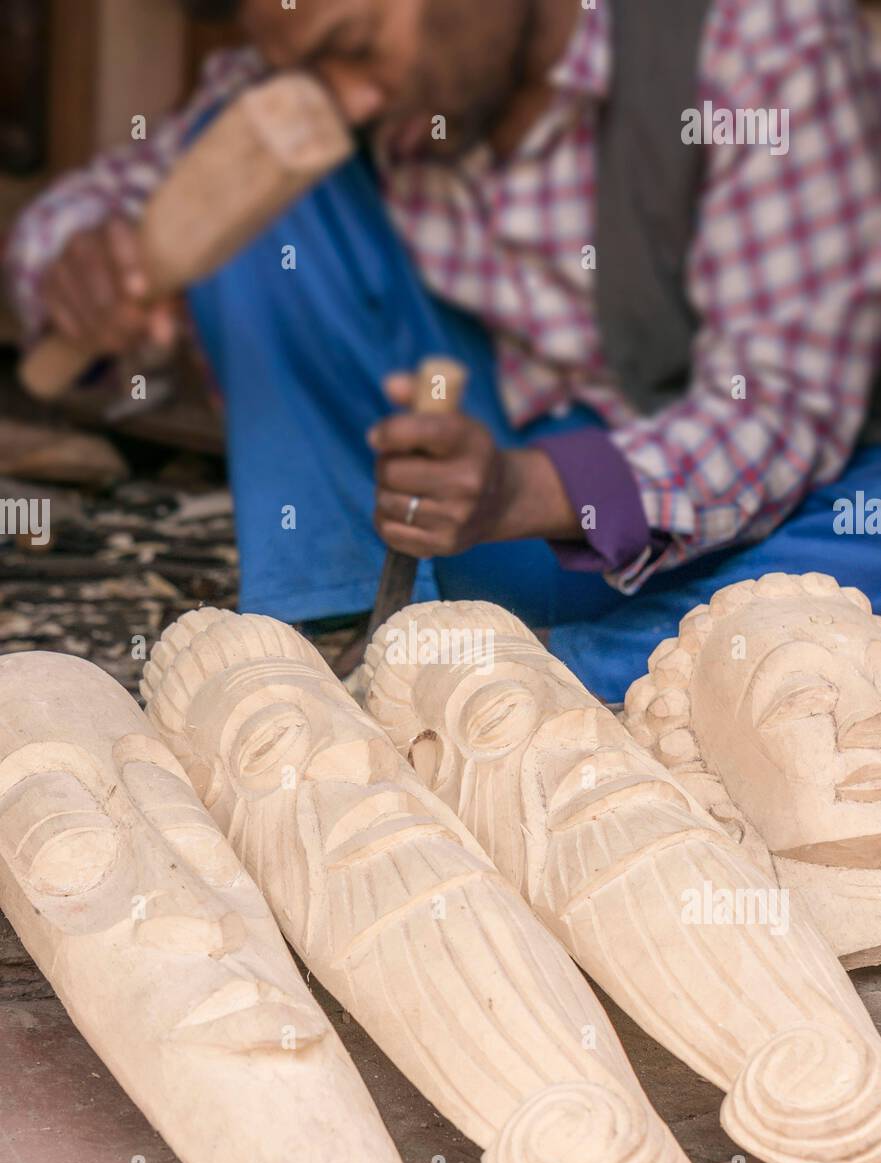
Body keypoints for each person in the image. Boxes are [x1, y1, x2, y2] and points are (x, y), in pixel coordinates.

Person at [6, 0, 881, 700]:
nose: (346, 102)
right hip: (463, 509)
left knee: (854, 549)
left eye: (355, 46)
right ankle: (350, 625)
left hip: (694, 512)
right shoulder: (328, 71)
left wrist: (531, 488)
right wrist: (78, 264)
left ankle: (551, 670)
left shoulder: (757, 38)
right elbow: (100, 200)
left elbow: (779, 401)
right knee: (245, 146)